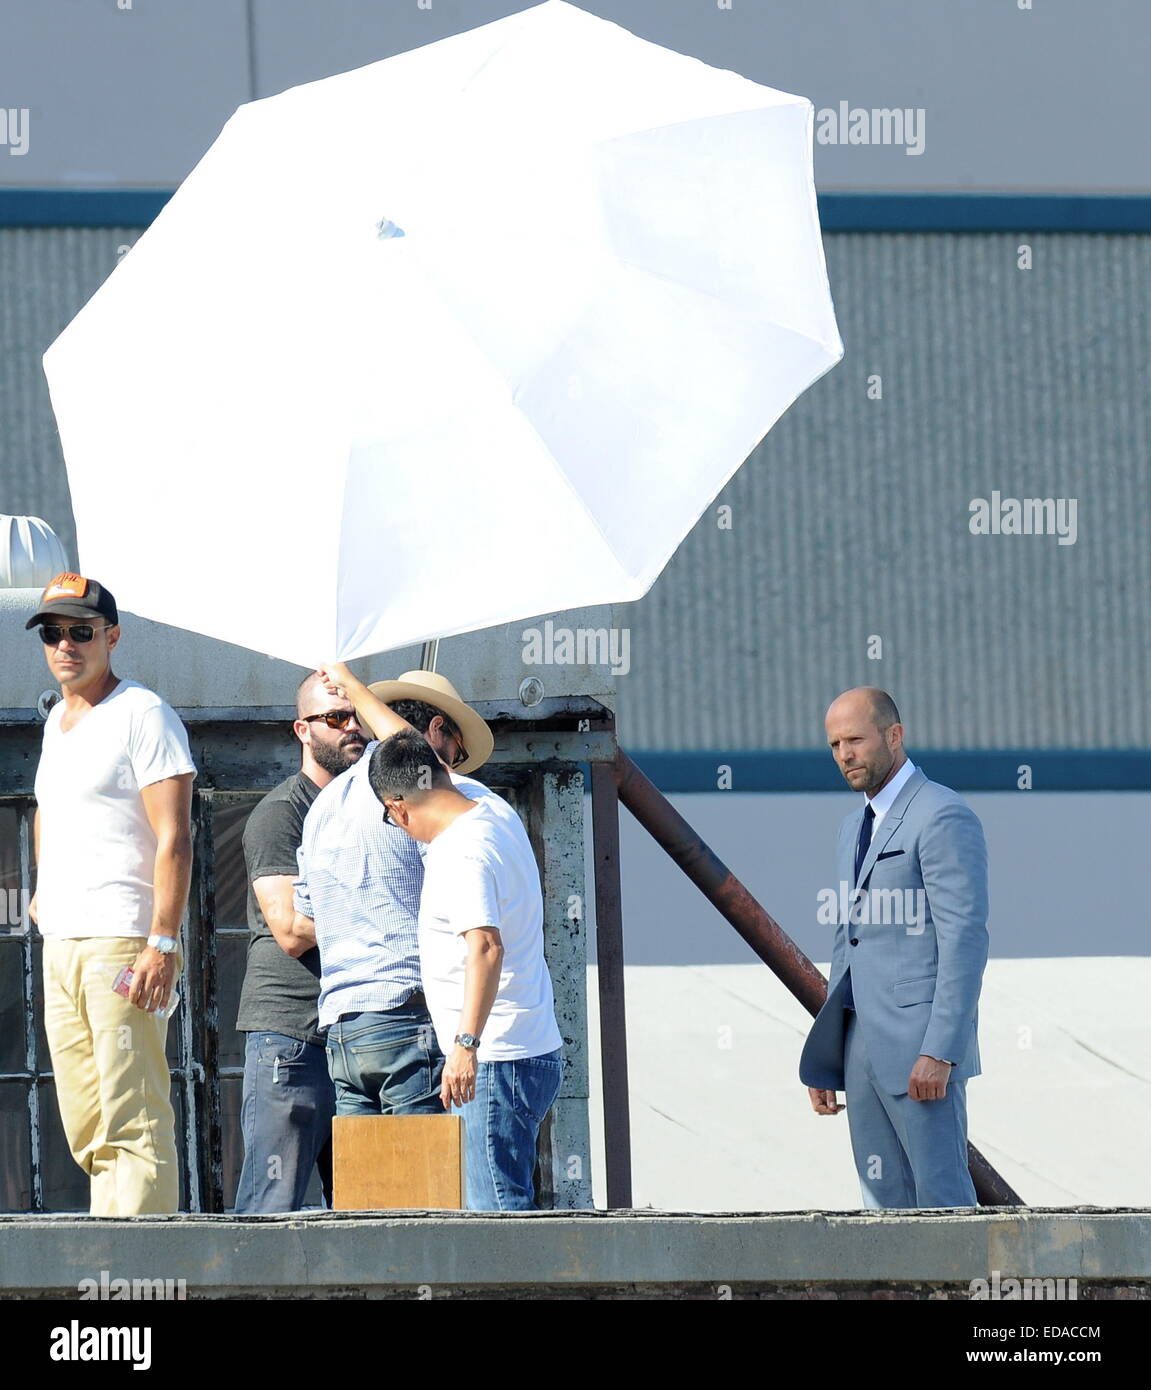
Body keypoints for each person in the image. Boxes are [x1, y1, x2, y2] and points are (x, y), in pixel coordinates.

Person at [27, 572, 195, 1215]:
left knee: (135, 1111)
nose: (65, 644)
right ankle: (110, 1252)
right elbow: (47, 808)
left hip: (124, 937)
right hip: (64, 940)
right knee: (87, 1119)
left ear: (112, 636)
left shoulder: (144, 712)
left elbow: (174, 834)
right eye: (52, 632)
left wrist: (161, 942)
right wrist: (42, 887)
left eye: (80, 631)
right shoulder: (56, 721)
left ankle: (145, 1272)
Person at [799, 687, 989, 1208]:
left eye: (855, 740)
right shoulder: (850, 827)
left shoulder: (942, 814)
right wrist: (831, 1054)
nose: (844, 755)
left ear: (894, 735)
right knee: (880, 1208)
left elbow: (964, 938)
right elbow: (847, 943)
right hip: (861, 1044)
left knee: (942, 1200)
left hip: (921, 1047)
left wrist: (941, 1050)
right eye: (835, 744)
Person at [368, 730, 564, 1212]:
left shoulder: (459, 853)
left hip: (495, 1058)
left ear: (397, 807)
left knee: (495, 1215)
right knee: (506, 1202)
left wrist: (465, 1047)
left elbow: (485, 947)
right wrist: (350, 685)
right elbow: (412, 750)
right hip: (527, 1048)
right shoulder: (488, 806)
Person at [233, 673, 368, 1213]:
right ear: (303, 730)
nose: (352, 726)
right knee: (273, 1207)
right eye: (335, 718)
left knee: (369, 1209)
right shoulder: (281, 812)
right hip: (291, 1038)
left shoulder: (371, 811)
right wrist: (383, 915)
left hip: (358, 1039)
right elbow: (289, 929)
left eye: (356, 713)